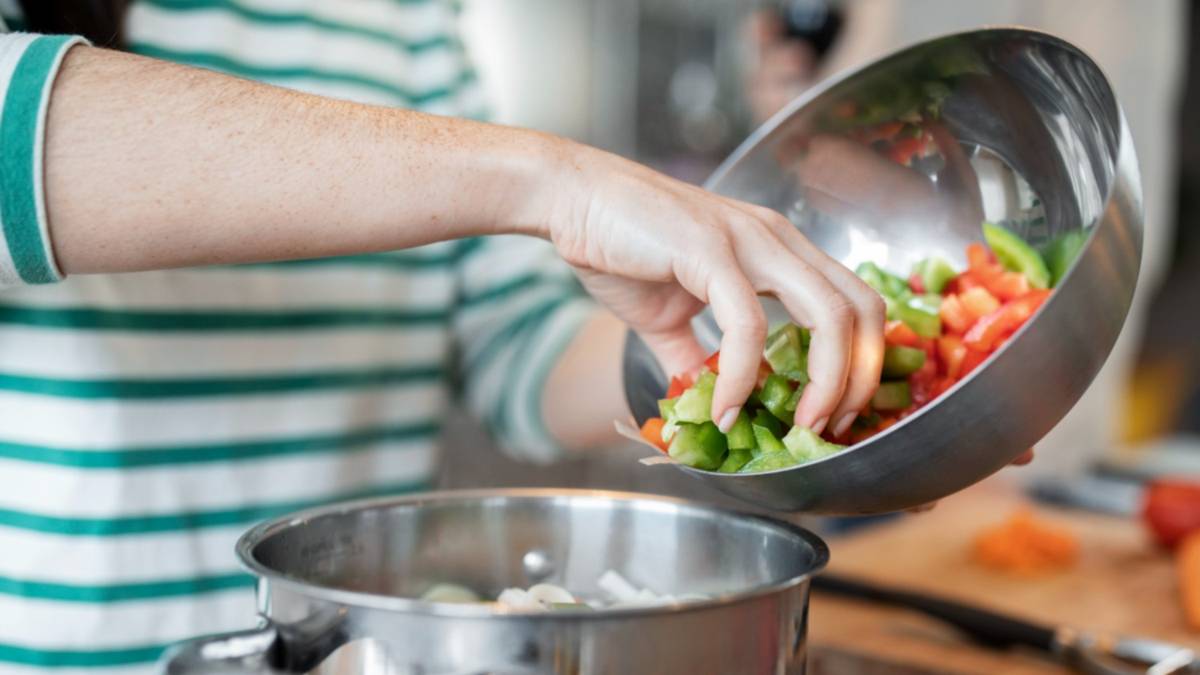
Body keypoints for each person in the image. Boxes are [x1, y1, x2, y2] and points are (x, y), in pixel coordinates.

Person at [0, 1, 888, 670]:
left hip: (355, 654)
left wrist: (733, 365)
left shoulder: (406, 13)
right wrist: (555, 181)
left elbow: (514, 342)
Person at [747, 0, 1186, 476]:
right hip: (859, 276)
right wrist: (793, 101)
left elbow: (1104, 191)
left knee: (1011, 495)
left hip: (1026, 376)